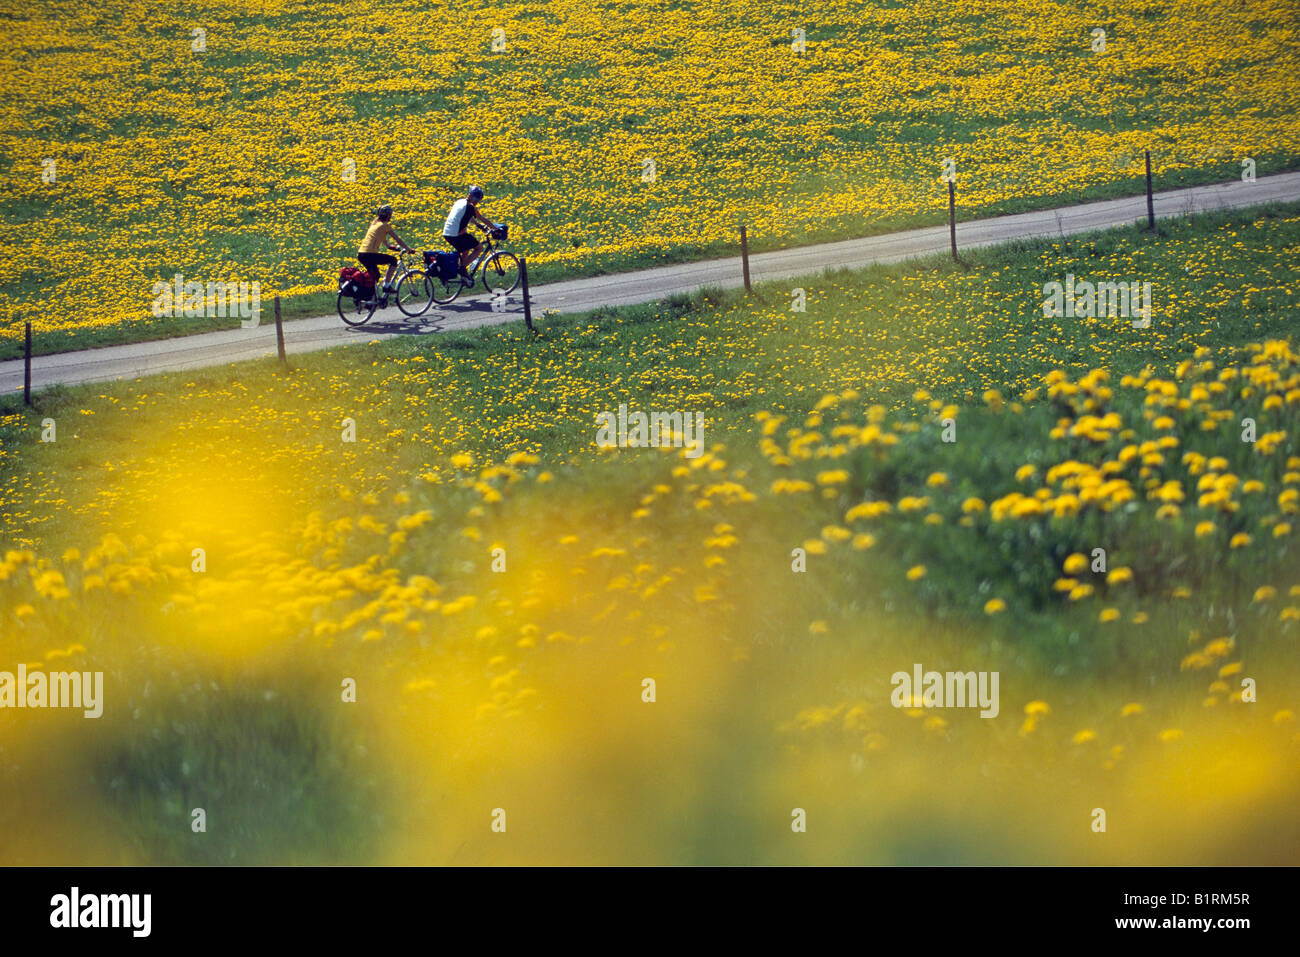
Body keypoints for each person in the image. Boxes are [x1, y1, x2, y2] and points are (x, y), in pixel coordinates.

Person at [357, 205, 413, 299]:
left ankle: (367, 298)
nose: (391, 217)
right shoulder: (385, 226)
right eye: (390, 215)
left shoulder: (375, 223)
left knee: (375, 276)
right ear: (387, 216)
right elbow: (398, 239)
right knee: (393, 261)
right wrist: (408, 249)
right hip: (369, 254)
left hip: (362, 254)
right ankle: (386, 286)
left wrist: (389, 246)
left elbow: (380, 237)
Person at [442, 186, 494, 279]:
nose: (477, 202)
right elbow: (483, 219)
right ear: (472, 197)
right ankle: (461, 268)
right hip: (456, 235)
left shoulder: (460, 201)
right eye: (477, 199)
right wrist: (495, 228)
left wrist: (478, 225)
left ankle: (463, 275)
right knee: (479, 248)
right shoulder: (471, 207)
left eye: (478, 199)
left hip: (447, 232)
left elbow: (467, 217)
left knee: (466, 249)